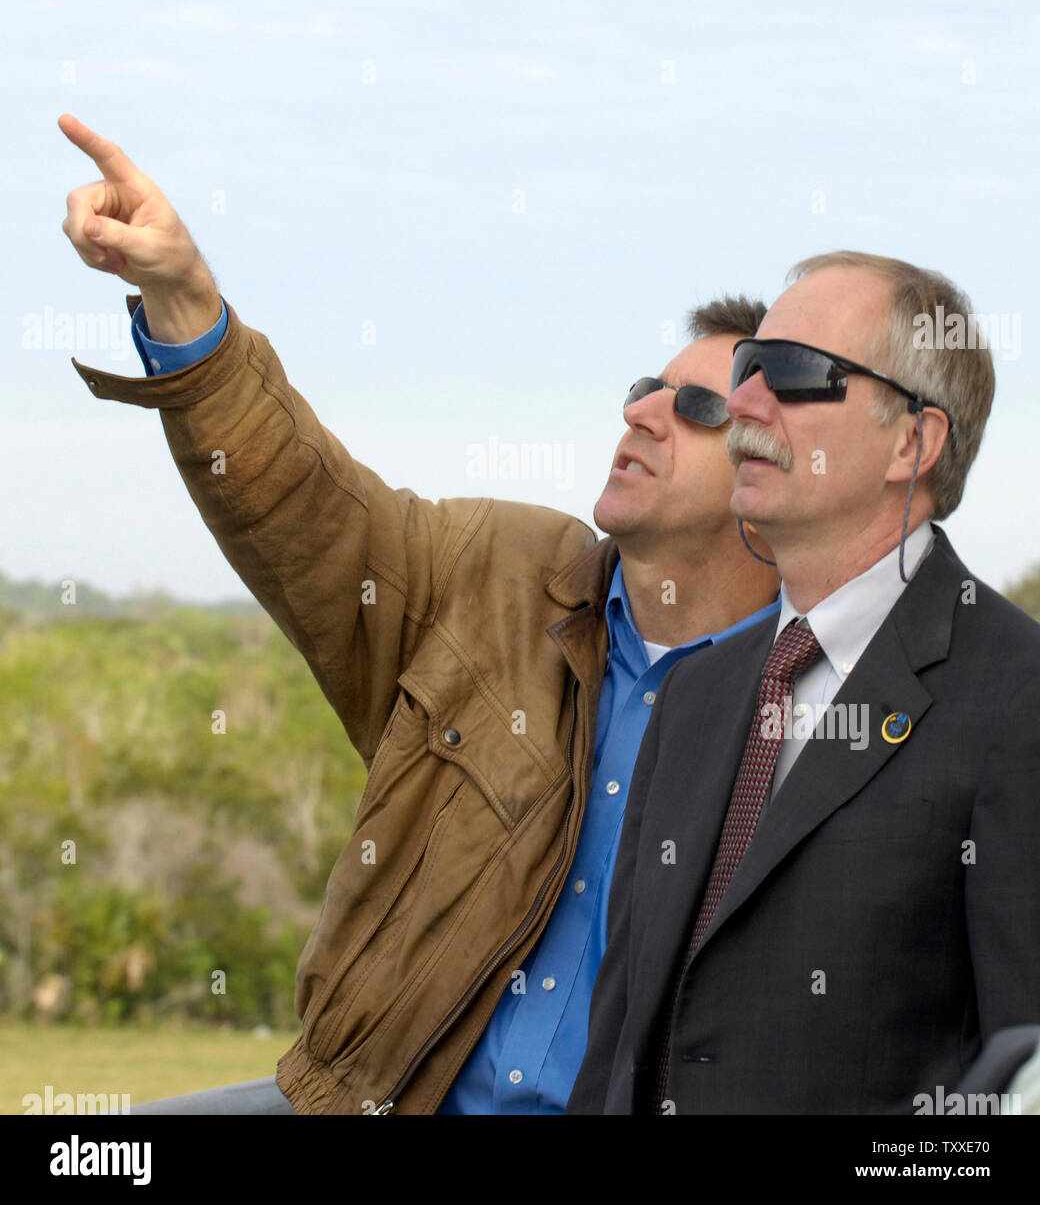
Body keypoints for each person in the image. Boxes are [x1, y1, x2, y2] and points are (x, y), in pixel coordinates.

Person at [59, 113, 780, 1115]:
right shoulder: (494, 570)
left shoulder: (816, 709)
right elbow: (302, 506)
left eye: (695, 409)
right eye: (643, 388)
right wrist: (184, 298)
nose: (641, 412)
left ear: (772, 479)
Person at [569, 250, 1040, 1116]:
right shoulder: (696, 695)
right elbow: (617, 1059)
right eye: (749, 367)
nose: (742, 404)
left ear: (913, 441)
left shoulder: (1019, 700)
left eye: (789, 373)